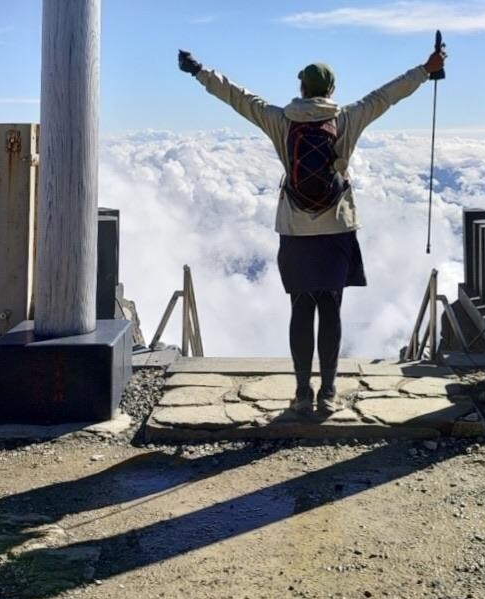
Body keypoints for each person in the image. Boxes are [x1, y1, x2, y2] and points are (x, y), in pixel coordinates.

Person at [178, 43, 446, 414]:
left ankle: (302, 391)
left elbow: (237, 97)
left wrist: (199, 71)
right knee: (331, 309)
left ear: (302, 89)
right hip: (336, 228)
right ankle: (329, 391)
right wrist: (426, 69)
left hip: (295, 228)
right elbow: (387, 96)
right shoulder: (347, 118)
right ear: (331, 91)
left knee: (301, 309)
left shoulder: (280, 120)